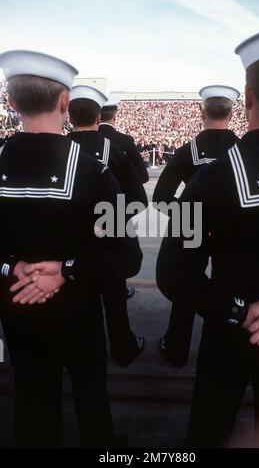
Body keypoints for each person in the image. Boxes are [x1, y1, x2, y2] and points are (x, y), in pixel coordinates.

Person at [157, 23, 259, 447]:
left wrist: (240, 311)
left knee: (210, 428)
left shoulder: (211, 179)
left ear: (249, 97)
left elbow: (172, 273)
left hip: (228, 330)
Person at [0, 50, 142, 447]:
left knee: (31, 393)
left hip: (15, 306)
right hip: (78, 309)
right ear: (65, 101)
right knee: (90, 393)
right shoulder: (94, 171)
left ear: (11, 102)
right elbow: (128, 256)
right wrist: (67, 270)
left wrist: (14, 269)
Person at [153, 85, 239, 366]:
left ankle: (177, 348)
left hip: (195, 226)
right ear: (231, 112)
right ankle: (226, 353)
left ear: (201, 113)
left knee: (189, 286)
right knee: (233, 288)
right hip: (235, 230)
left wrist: (191, 219)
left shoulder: (187, 151)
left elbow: (161, 197)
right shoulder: (244, 149)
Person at [68, 85, 146, 365]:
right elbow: (138, 198)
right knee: (115, 300)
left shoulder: (58, 149)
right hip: (112, 240)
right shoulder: (115, 150)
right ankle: (123, 349)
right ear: (98, 117)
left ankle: (84, 356)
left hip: (71, 245)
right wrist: (110, 222)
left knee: (78, 303)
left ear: (69, 114)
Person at [100, 99, 149, 184]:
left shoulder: (86, 139)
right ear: (114, 117)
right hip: (120, 194)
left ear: (98, 117)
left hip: (91, 196)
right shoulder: (126, 140)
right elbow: (143, 175)